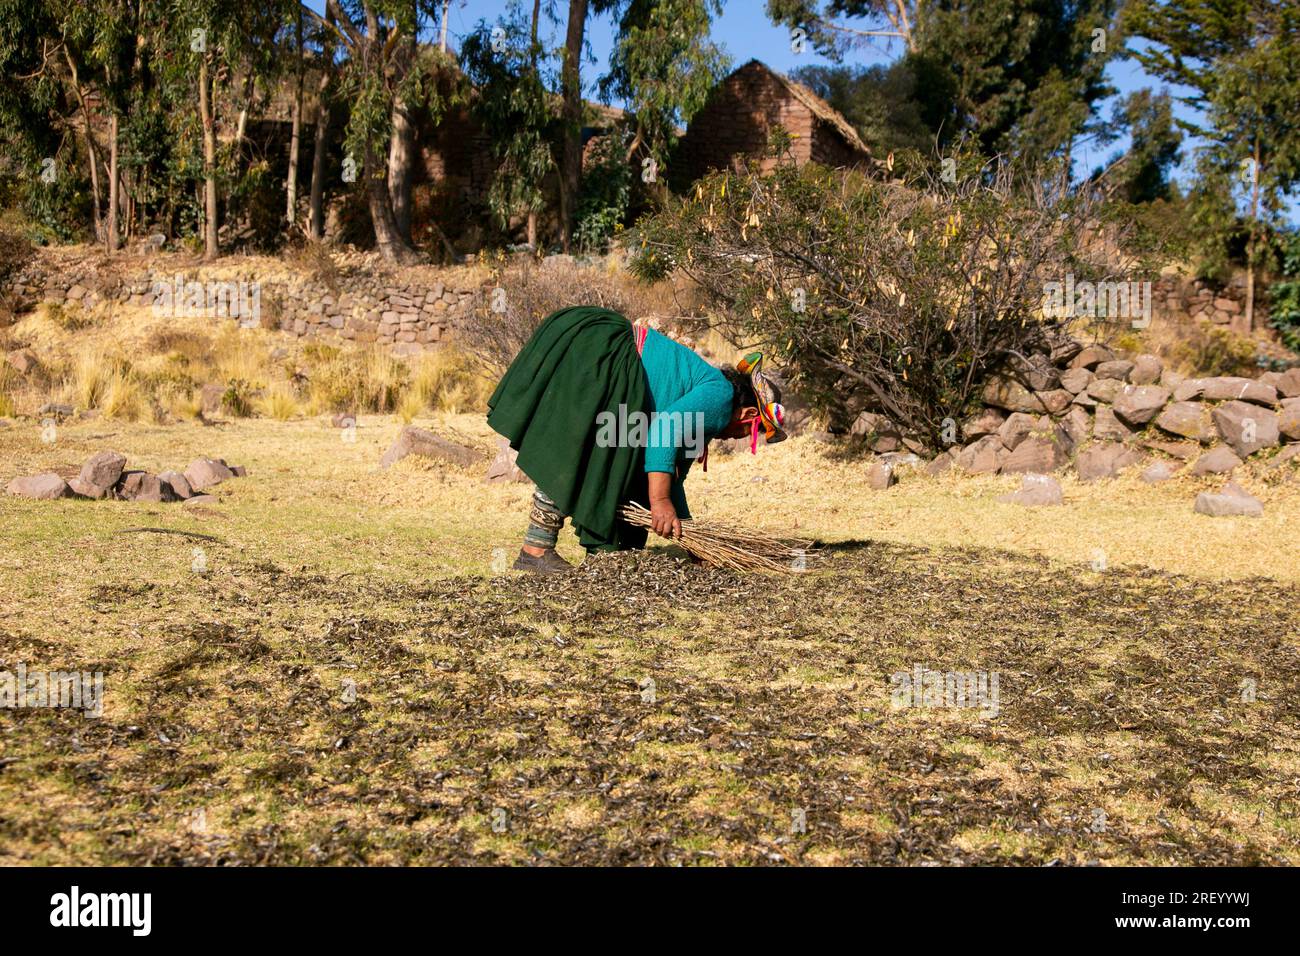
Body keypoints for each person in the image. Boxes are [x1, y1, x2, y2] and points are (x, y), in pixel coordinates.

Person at [487, 306, 787, 573]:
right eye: (751, 431)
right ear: (748, 414)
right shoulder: (721, 396)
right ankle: (535, 550)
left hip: (601, 351)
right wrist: (658, 501)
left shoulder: (704, 411)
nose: (740, 437)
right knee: (581, 451)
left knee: (608, 458)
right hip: (604, 354)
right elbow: (664, 430)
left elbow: (673, 478)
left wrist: (694, 543)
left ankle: (592, 556)